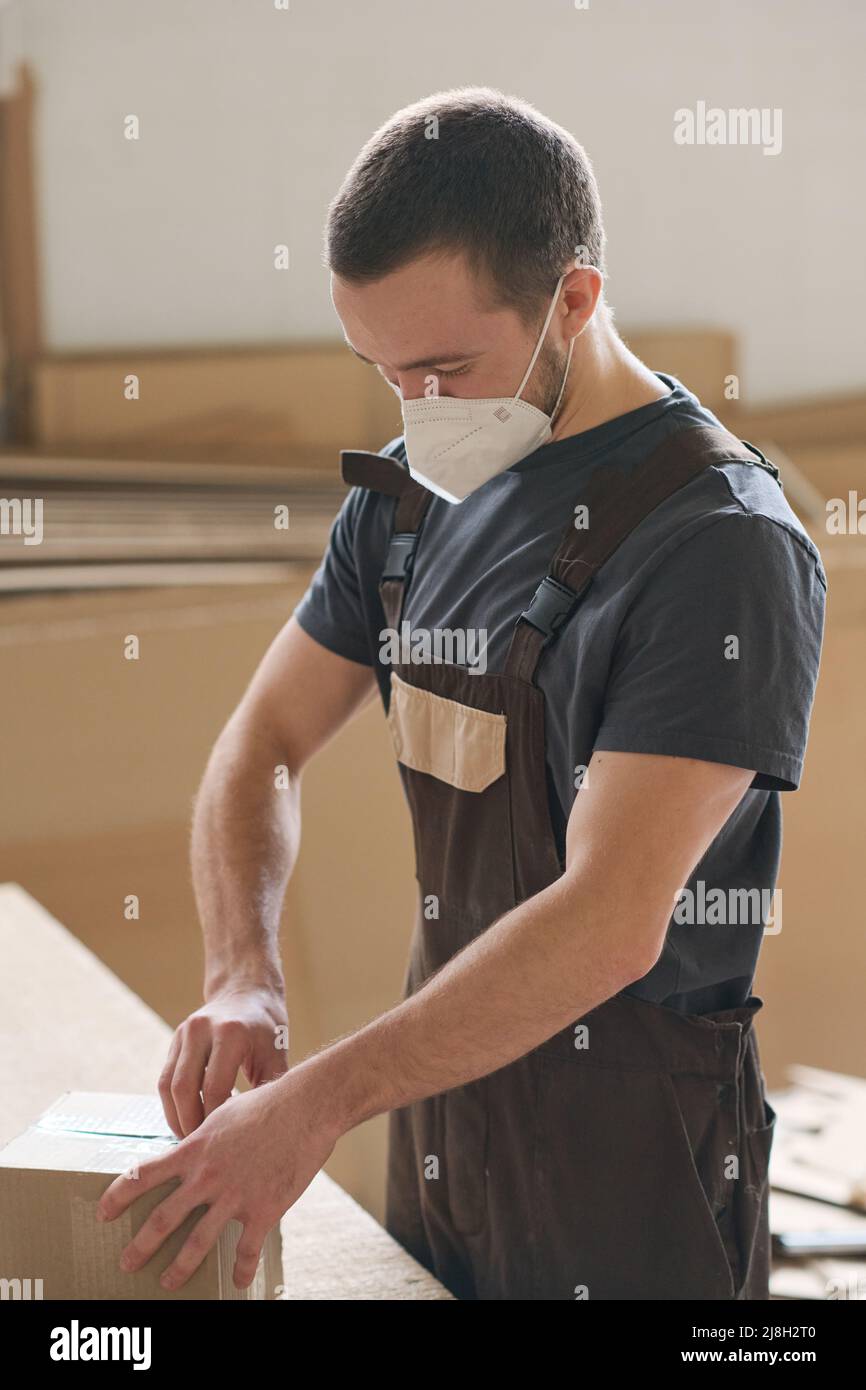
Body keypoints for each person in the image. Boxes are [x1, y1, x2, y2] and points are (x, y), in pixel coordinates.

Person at [98, 87, 826, 1300]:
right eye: (383, 373)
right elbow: (264, 739)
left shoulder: (717, 549)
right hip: (438, 1138)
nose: (414, 411)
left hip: (635, 1195)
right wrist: (242, 972)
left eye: (442, 367)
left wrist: (311, 1103)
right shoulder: (405, 500)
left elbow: (607, 919)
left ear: (574, 300)